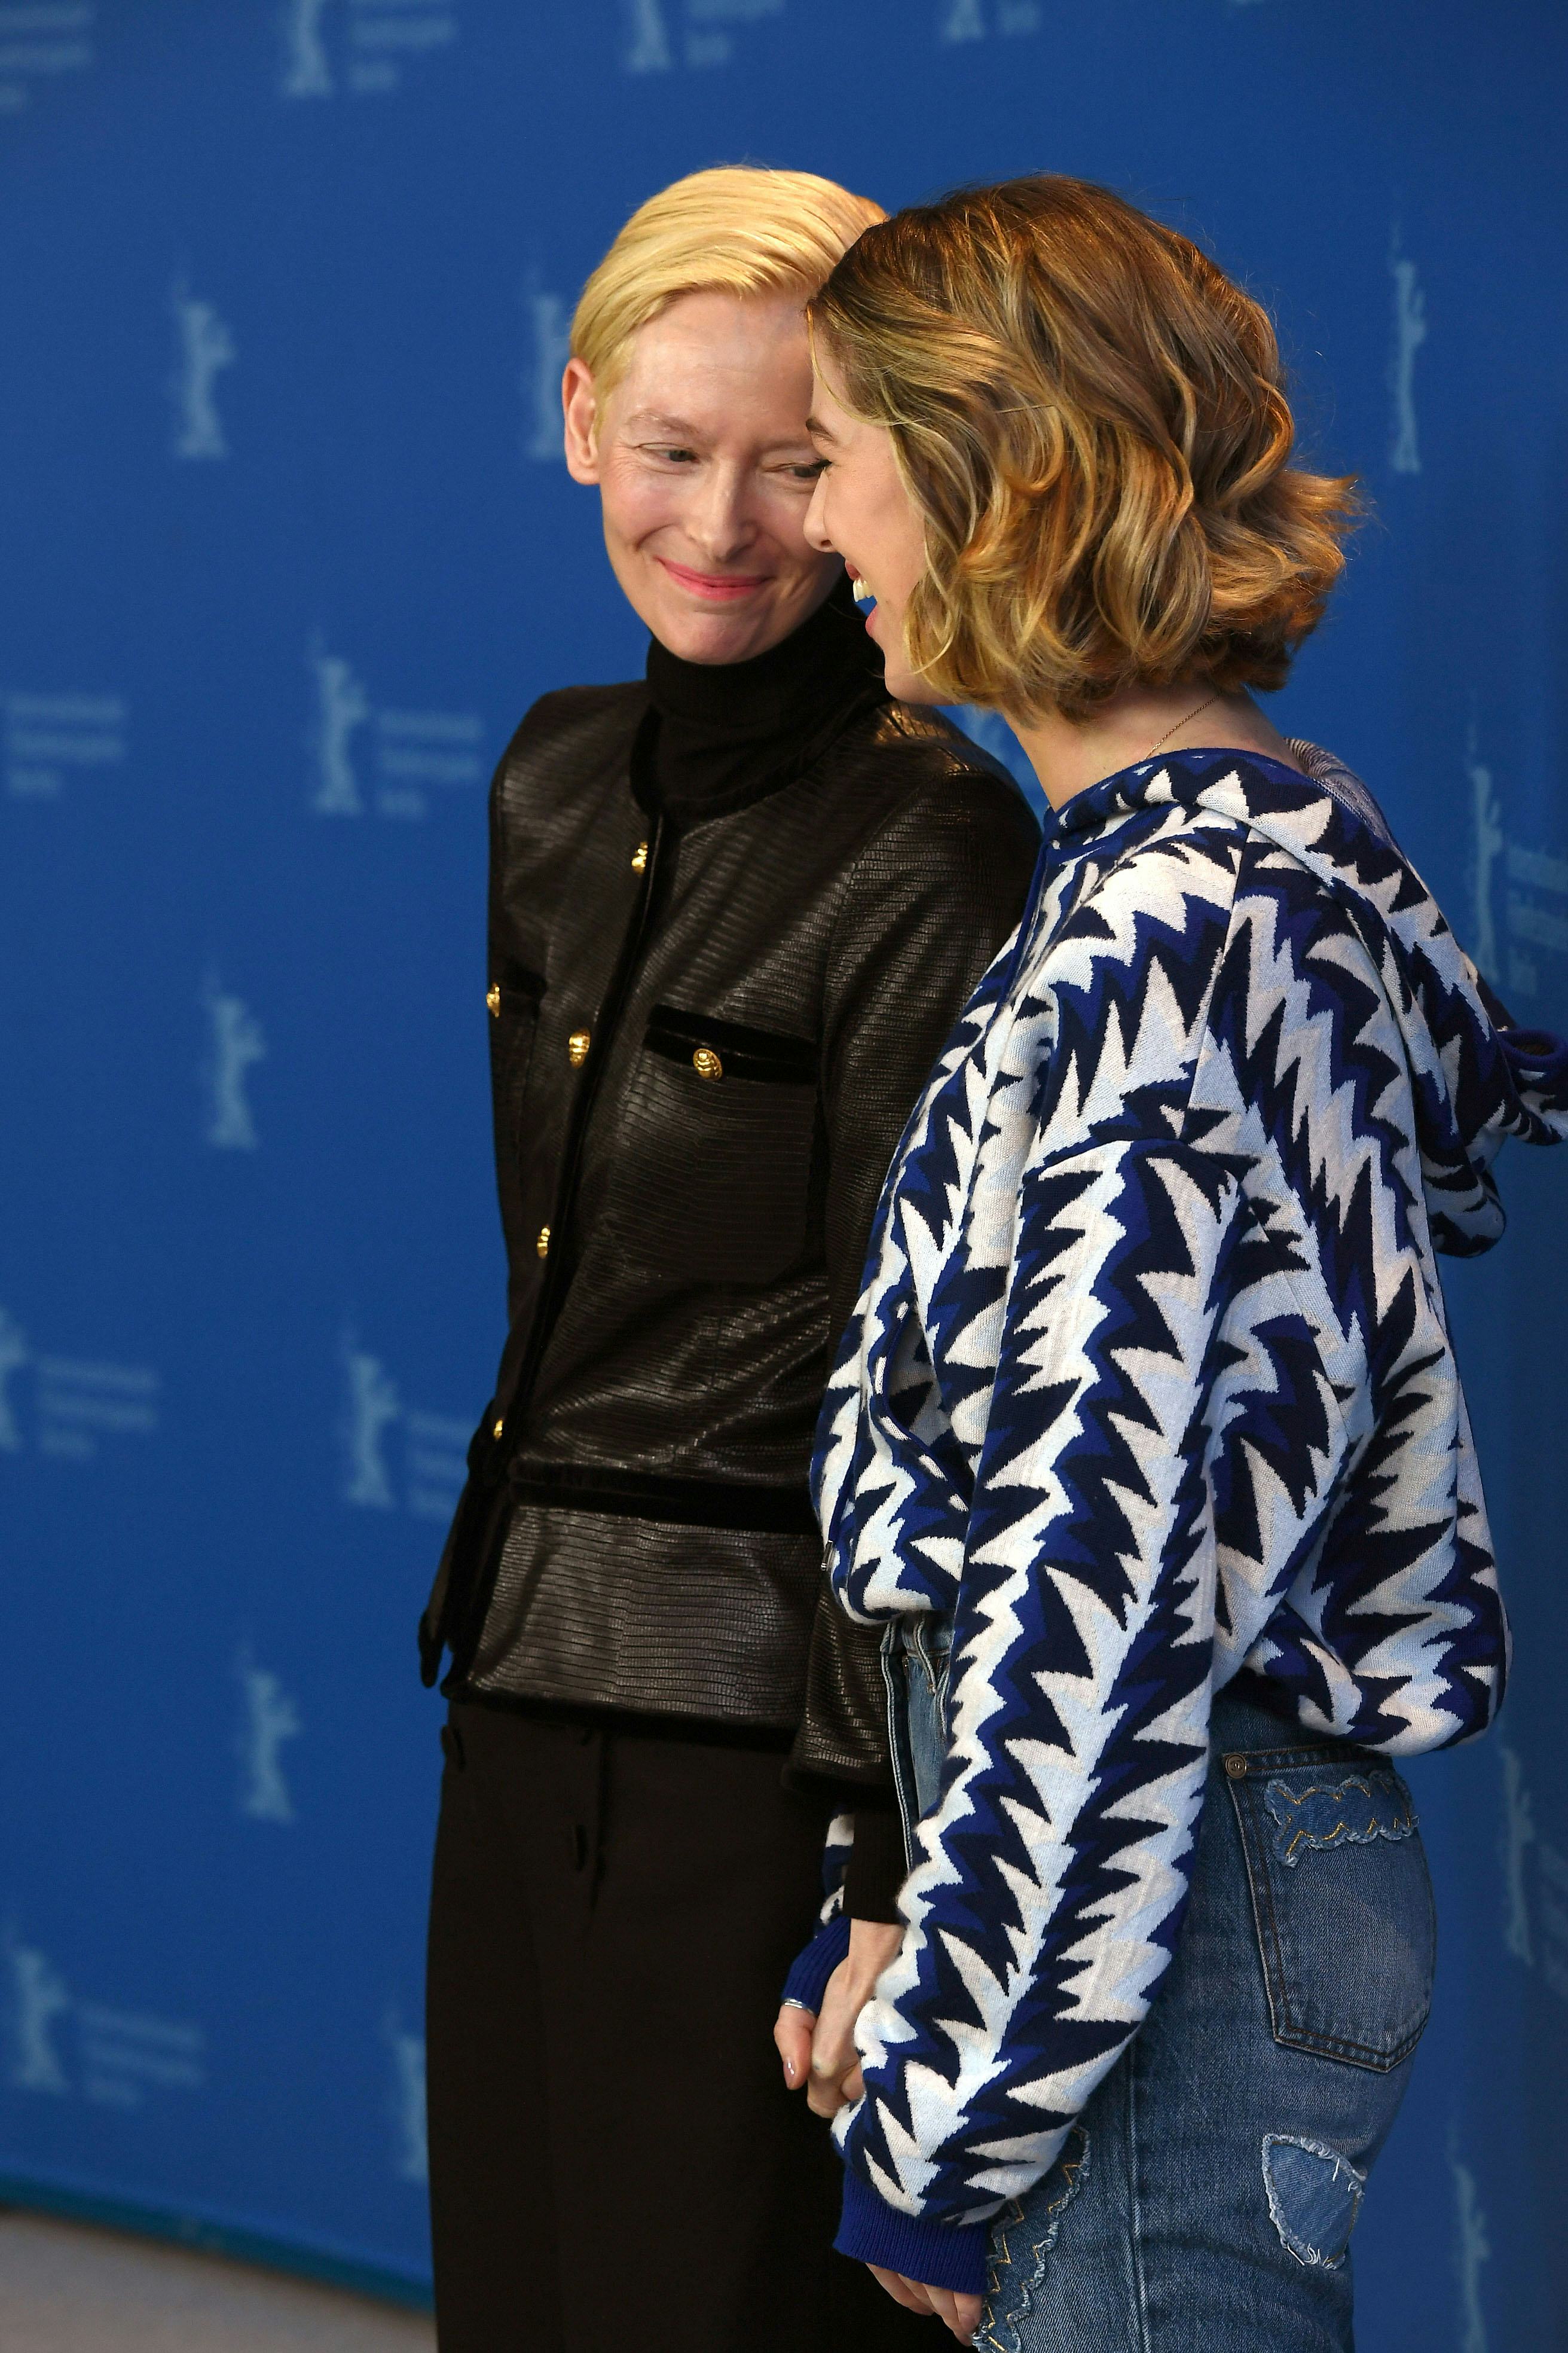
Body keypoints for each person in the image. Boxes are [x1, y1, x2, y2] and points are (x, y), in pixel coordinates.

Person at [773, 174, 1568, 2351]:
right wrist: (913, 1912)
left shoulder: (1168, 948)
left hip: (1166, 1931)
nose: (813, 519)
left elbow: (1105, 1599)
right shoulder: (1211, 878)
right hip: (1150, 1909)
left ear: (987, 479)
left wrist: (946, 2129)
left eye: (835, 450)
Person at [417, 166, 1041, 2353]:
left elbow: (932, 1385)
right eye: (673, 450)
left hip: (761, 1752)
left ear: (878, 474)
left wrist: (880, 1850)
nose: (727, 521)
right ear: (580, 418)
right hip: (507, 1693)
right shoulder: (546, 781)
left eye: (797, 463)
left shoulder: (940, 835)